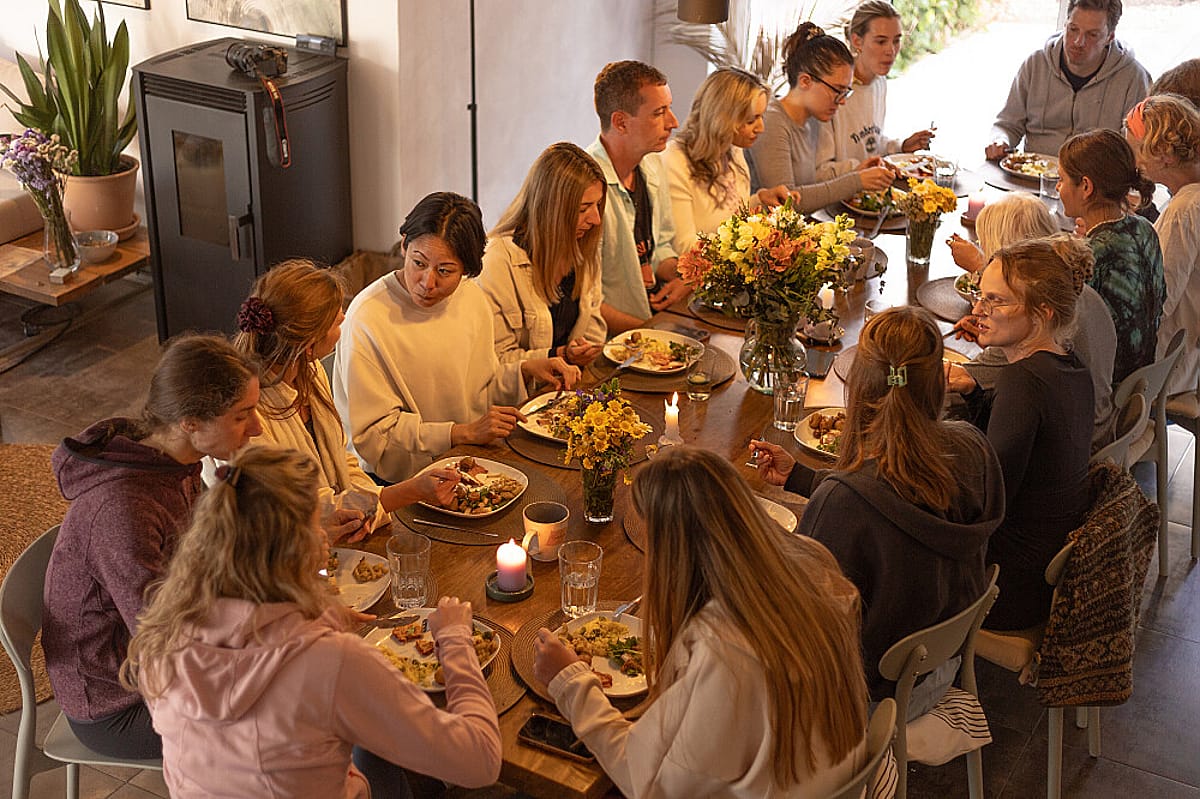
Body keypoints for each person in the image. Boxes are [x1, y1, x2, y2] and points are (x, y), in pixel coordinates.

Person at [121, 446, 501, 798]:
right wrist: (454, 639)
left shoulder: (164, 632)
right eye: (314, 525)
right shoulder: (330, 662)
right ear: (293, 547)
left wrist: (314, 618)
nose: (323, 535)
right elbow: (480, 761)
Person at [532, 447, 869, 797]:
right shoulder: (813, 565)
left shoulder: (725, 653)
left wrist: (570, 681)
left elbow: (649, 784)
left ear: (675, 553)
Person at [751, 307, 1004, 699]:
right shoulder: (973, 449)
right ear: (938, 381)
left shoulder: (843, 501)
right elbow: (893, 492)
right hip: (938, 665)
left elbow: (797, 620)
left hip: (864, 695)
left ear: (860, 388)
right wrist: (803, 479)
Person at [43, 334, 261, 759]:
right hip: (118, 703)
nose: (256, 428)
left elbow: (204, 564)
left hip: (161, 667)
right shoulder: (122, 509)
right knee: (284, 718)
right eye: (242, 415)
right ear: (190, 423)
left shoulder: (173, 467)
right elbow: (163, 635)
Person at [333, 192, 579, 483]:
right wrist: (460, 432)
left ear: (467, 270)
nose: (428, 283)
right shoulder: (368, 317)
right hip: (400, 482)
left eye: (445, 271)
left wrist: (525, 371)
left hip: (469, 463)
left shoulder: (471, 297)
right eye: (419, 263)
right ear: (403, 244)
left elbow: (478, 389)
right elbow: (375, 433)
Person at [232, 259, 460, 531]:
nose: (343, 321)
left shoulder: (310, 372)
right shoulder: (246, 416)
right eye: (335, 321)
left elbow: (344, 463)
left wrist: (364, 511)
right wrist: (413, 490)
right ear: (307, 344)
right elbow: (302, 508)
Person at [946, 238, 1095, 630]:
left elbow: (986, 503)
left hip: (1004, 586)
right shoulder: (1071, 366)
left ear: (1042, 312)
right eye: (981, 296)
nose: (979, 310)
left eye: (996, 301)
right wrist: (975, 394)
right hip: (1041, 571)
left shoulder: (1022, 380)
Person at [949, 195, 1117, 450]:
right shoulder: (1073, 291)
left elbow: (999, 482)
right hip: (1098, 425)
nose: (977, 307)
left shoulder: (1024, 376)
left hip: (1079, 446)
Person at [478, 142, 607, 371]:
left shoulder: (584, 247)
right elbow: (495, 361)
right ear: (551, 209)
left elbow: (594, 324)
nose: (596, 219)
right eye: (583, 209)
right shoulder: (498, 261)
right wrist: (558, 355)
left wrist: (585, 350)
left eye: (598, 205)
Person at [586, 61, 691, 334]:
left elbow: (660, 249)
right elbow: (586, 304)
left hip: (652, 318)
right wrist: (652, 333)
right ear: (620, 122)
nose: (674, 122)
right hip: (612, 340)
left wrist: (686, 274)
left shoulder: (652, 164)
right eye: (659, 113)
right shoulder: (585, 189)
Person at [750, 22, 896, 212]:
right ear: (805, 81)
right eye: (838, 90)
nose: (842, 101)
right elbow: (786, 204)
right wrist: (856, 181)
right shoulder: (772, 122)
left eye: (846, 92)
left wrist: (858, 170)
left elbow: (812, 183)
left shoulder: (813, 119)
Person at [1057, 128, 1164, 384]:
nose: (1058, 188)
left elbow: (1060, 335)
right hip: (1140, 382)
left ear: (1085, 186)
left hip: (1103, 392)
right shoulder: (1144, 228)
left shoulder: (1093, 255)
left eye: (1061, 179)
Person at [985, 0, 1149, 161]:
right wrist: (1000, 141)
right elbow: (1007, 125)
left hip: (1096, 182)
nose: (1078, 42)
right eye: (1073, 29)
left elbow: (1135, 152)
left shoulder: (1134, 78)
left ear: (1109, 37)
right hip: (1033, 175)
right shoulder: (1035, 64)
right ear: (1065, 25)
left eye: (1092, 35)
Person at [663, 67, 793, 252]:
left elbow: (728, 217)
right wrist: (750, 247)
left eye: (761, 117)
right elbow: (685, 246)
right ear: (722, 119)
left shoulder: (733, 149)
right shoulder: (675, 161)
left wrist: (760, 200)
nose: (761, 128)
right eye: (751, 120)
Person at [1124, 95, 1200, 395]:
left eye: (1136, 152)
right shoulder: (1186, 197)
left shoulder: (1184, 210)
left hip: (1170, 364)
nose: (1134, 163)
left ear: (1164, 155)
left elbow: (1158, 301)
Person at [815, 1, 936, 180]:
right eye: (881, 41)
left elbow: (871, 144)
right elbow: (819, 172)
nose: (891, 51)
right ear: (857, 41)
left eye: (896, 40)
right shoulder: (833, 91)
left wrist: (901, 146)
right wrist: (864, 168)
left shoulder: (879, 82)